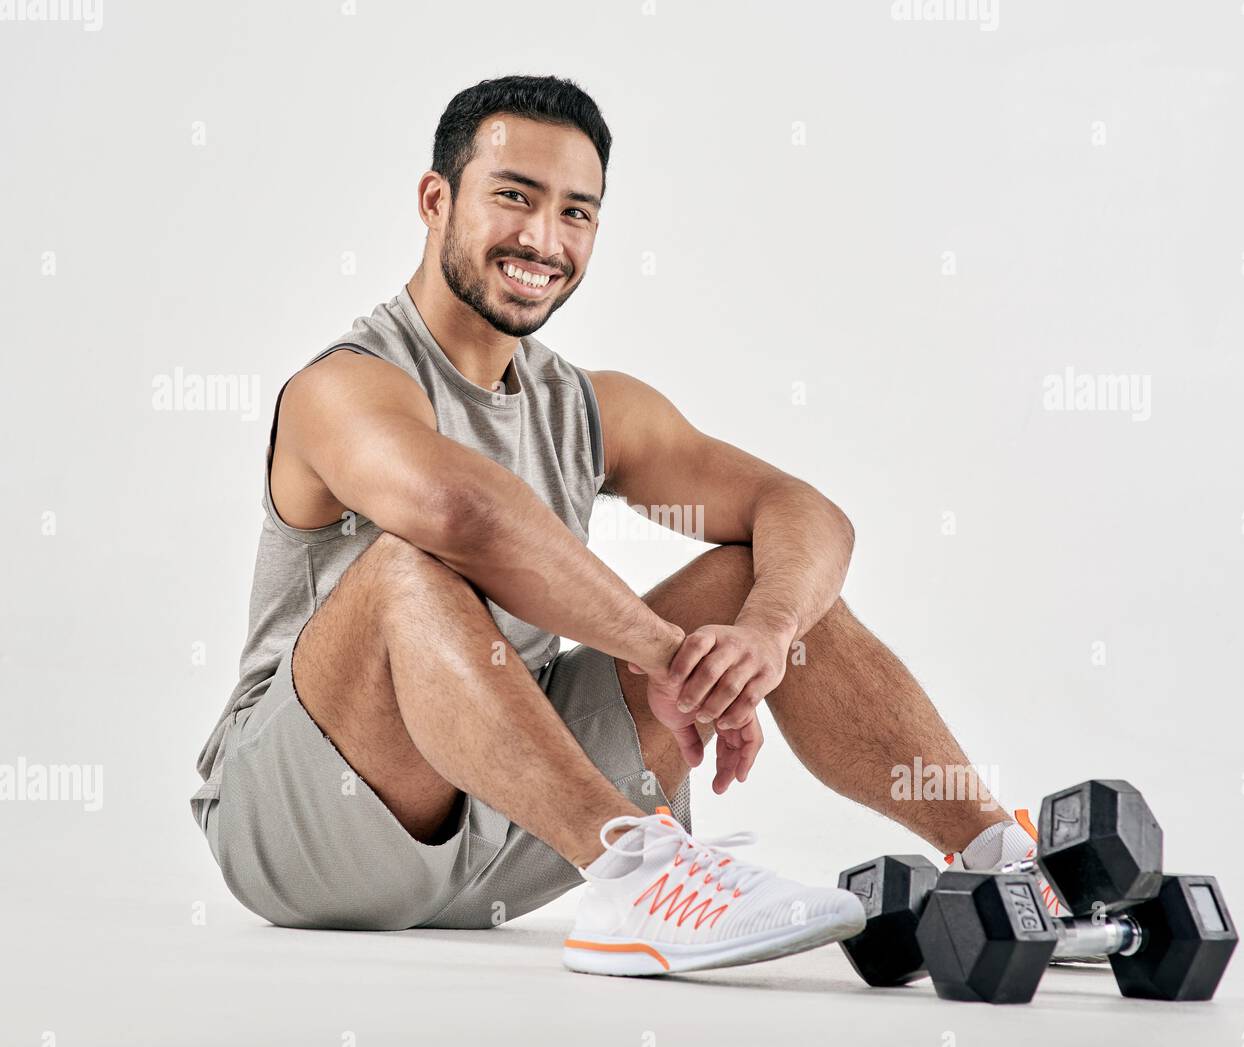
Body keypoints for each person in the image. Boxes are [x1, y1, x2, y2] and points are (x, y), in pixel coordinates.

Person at [190, 74, 1053, 977]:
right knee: (408, 567)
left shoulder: (590, 406)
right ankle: (641, 877)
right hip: (307, 822)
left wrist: (763, 634)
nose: (543, 238)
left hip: (513, 819)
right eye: (513, 198)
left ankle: (1012, 872)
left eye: (577, 213)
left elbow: (804, 511)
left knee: (767, 579)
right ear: (435, 200)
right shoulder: (345, 385)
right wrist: (662, 654)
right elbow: (461, 512)